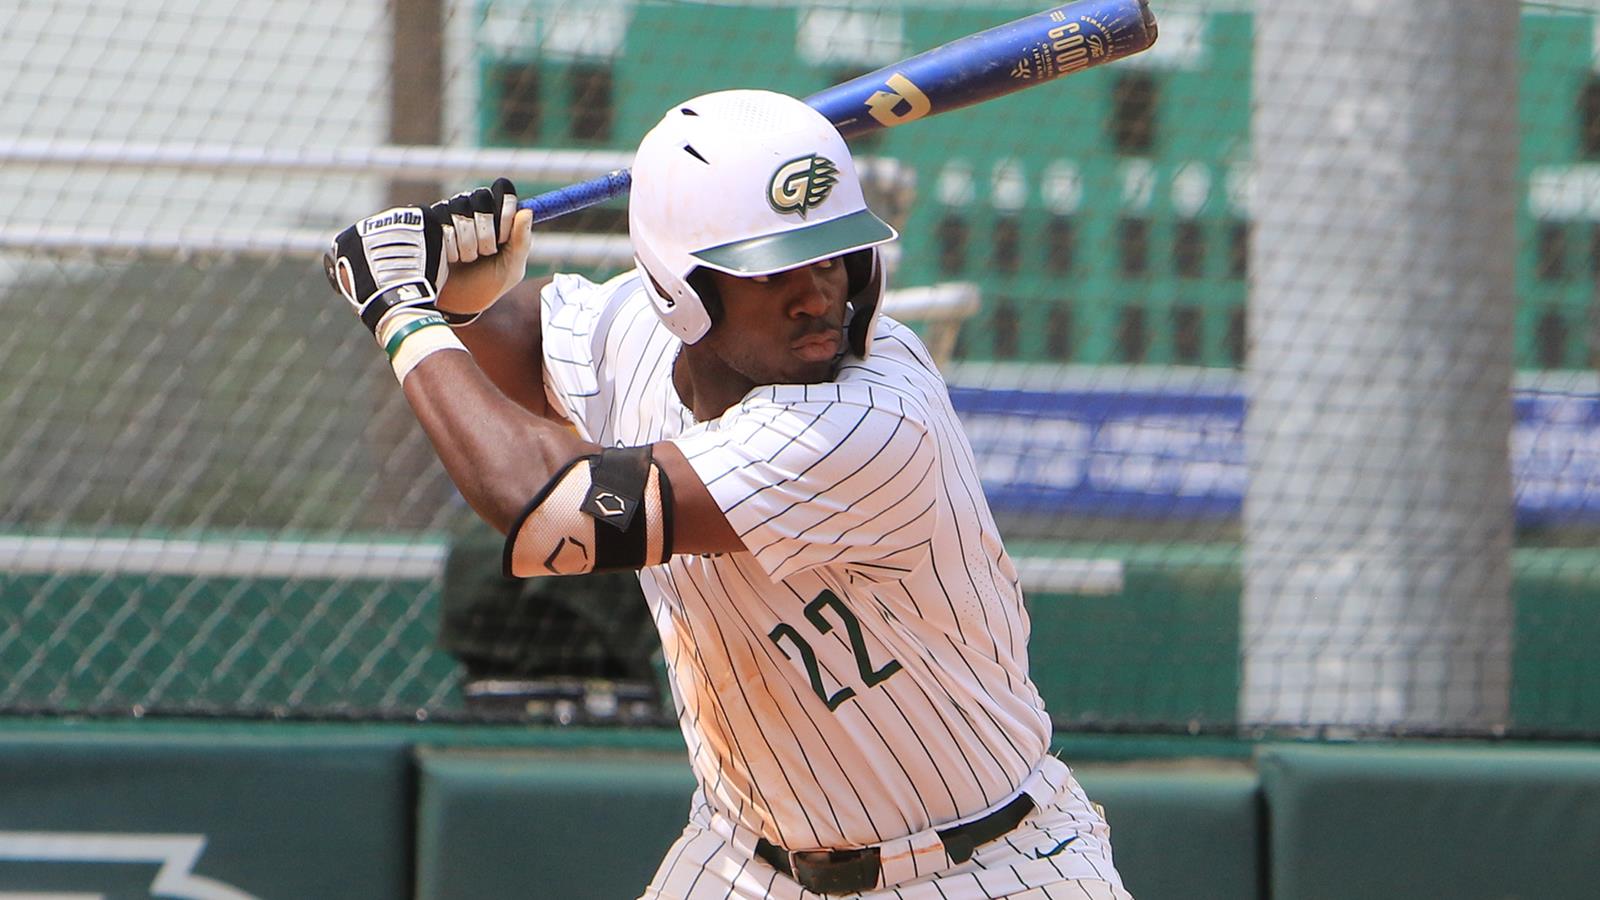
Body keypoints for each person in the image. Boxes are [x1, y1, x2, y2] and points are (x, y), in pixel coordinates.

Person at [326, 89, 1132, 899]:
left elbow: (549, 505)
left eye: (832, 257)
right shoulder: (635, 334)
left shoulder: (870, 420)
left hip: (980, 866)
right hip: (743, 858)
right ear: (682, 289)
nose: (816, 296)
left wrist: (402, 311)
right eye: (772, 270)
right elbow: (524, 339)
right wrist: (460, 305)